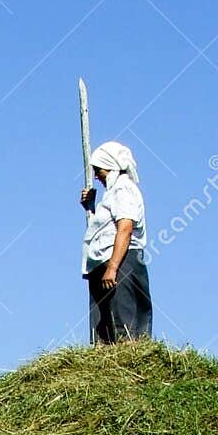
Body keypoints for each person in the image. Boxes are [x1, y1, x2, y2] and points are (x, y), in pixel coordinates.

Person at [80, 140, 153, 343]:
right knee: (105, 325)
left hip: (121, 261)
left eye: (99, 170)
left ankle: (130, 359)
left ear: (111, 167)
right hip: (105, 262)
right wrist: (91, 207)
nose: (96, 176)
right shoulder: (111, 194)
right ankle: (107, 362)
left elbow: (125, 228)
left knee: (124, 319)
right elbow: (106, 229)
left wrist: (112, 268)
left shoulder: (123, 189)